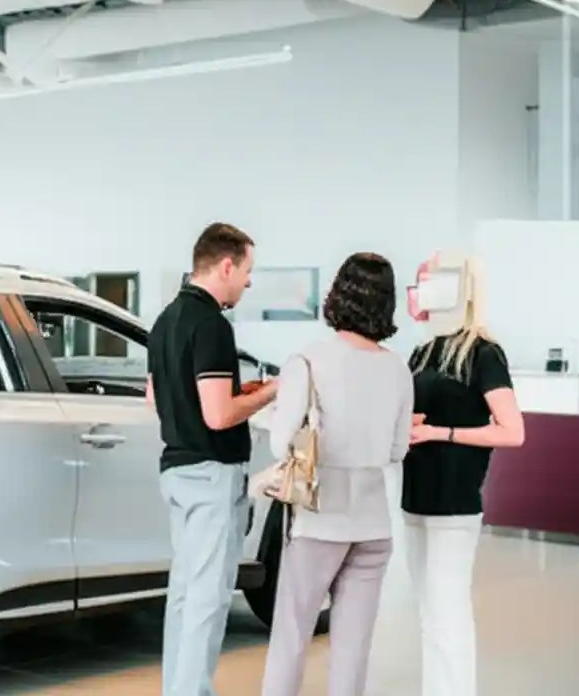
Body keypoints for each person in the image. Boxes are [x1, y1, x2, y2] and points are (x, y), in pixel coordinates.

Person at [259, 252, 414, 696]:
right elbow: (397, 449)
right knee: (352, 650)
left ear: (337, 295)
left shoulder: (308, 361)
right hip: (372, 524)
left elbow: (280, 442)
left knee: (291, 637)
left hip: (318, 521)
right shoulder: (398, 368)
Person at [148, 222, 279, 696]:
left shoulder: (165, 321)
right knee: (209, 599)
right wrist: (270, 394)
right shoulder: (212, 325)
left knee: (184, 595)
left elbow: (156, 397)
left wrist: (230, 394)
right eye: (247, 271)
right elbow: (220, 415)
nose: (248, 282)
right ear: (226, 265)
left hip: (177, 472)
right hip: (211, 474)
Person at [403, 251, 525, 696]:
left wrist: (441, 431)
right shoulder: (423, 351)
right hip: (415, 500)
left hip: (455, 503)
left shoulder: (483, 353)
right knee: (427, 614)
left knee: (448, 613)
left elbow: (512, 431)